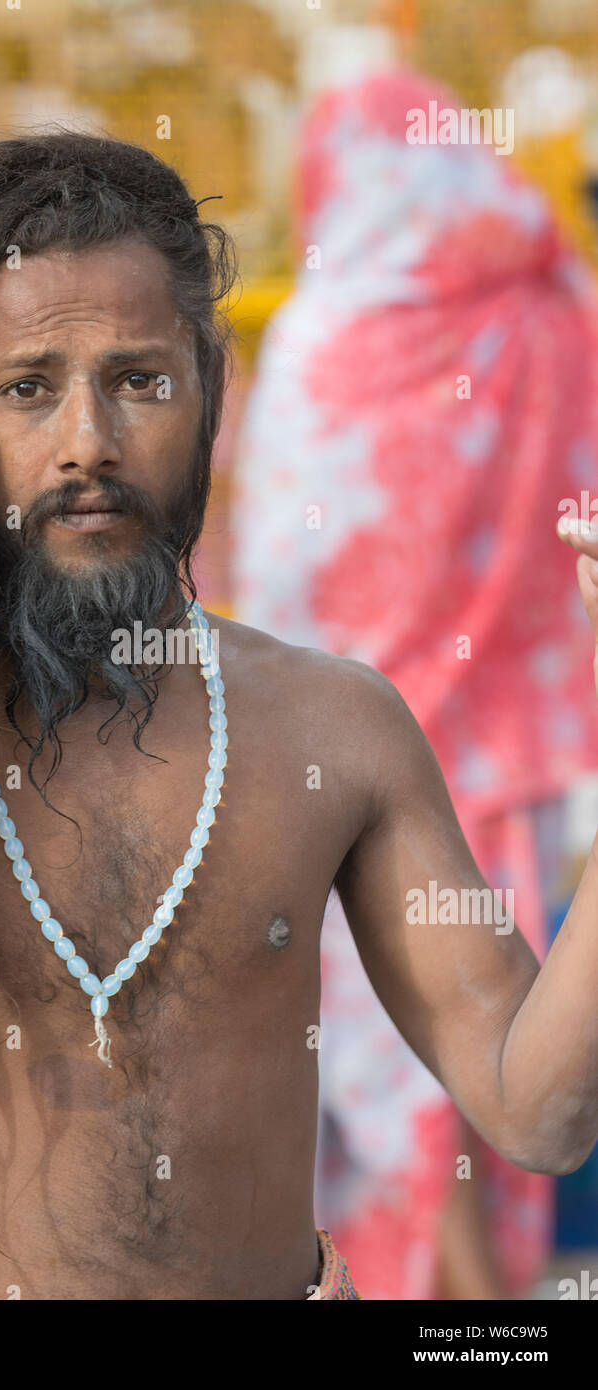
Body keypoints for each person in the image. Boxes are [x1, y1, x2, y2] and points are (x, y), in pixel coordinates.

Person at [0, 129, 598, 1303]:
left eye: (138, 380)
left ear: (209, 385)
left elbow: (536, 1106)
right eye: (27, 387)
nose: (88, 441)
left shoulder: (333, 731)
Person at [230, 70, 598, 1298]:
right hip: (501, 759)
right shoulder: (554, 317)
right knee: (510, 1035)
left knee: (397, 1055)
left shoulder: (320, 337)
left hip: (337, 763)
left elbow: (277, 574)